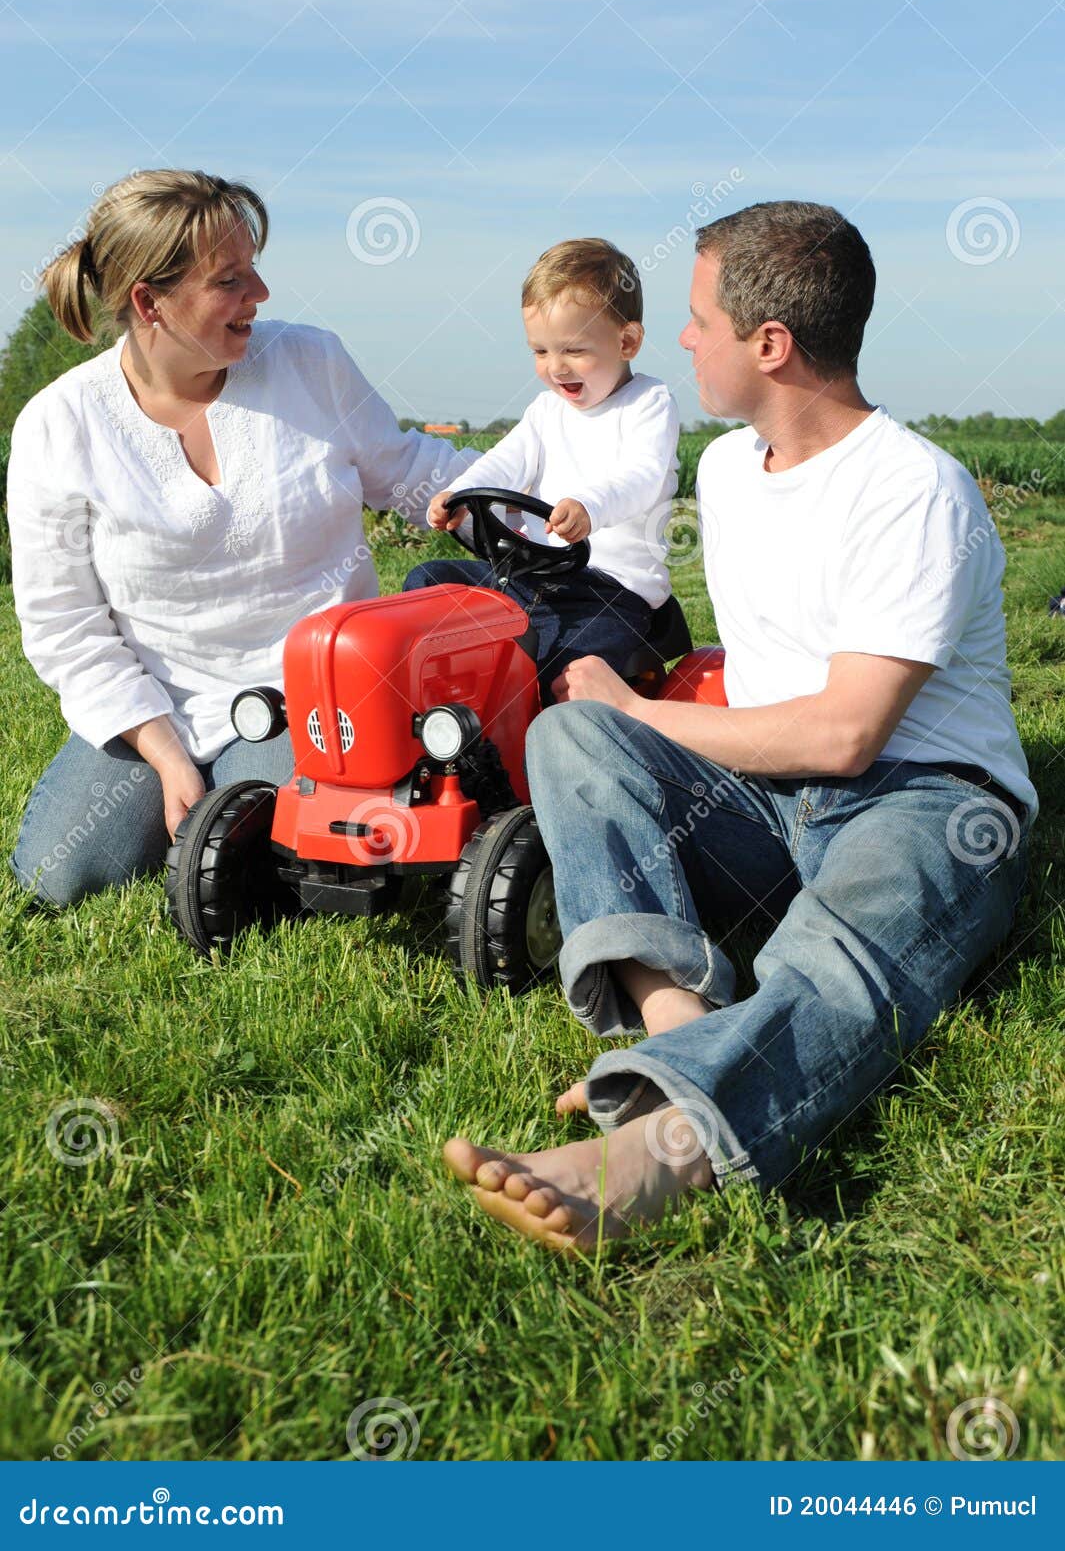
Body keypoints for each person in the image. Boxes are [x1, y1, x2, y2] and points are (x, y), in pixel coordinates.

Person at [443, 199, 1037, 1251]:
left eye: (696, 318)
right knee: (567, 736)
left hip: (926, 796)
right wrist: (627, 723)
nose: (679, 339)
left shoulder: (913, 491)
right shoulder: (724, 470)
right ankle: (679, 1019)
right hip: (765, 793)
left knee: (840, 945)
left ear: (769, 344)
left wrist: (646, 710)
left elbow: (848, 736)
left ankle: (659, 1152)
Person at [8, 168, 475, 907]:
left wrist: (537, 497)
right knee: (63, 876)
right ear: (147, 301)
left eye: (253, 270)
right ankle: (202, 795)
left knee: (310, 862)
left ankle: (250, 806)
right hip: (156, 701)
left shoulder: (310, 363)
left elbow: (415, 471)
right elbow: (64, 625)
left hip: (311, 698)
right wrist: (165, 756)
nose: (258, 295)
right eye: (230, 280)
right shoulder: (60, 424)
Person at [403, 239, 680, 690]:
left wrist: (589, 506)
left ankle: (542, 729)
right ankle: (442, 708)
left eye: (574, 350)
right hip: (530, 579)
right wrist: (459, 495)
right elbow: (502, 463)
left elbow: (643, 477)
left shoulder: (648, 403)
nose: (557, 368)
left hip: (609, 591)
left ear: (626, 341)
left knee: (565, 667)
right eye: (541, 351)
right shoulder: (545, 411)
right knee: (430, 581)